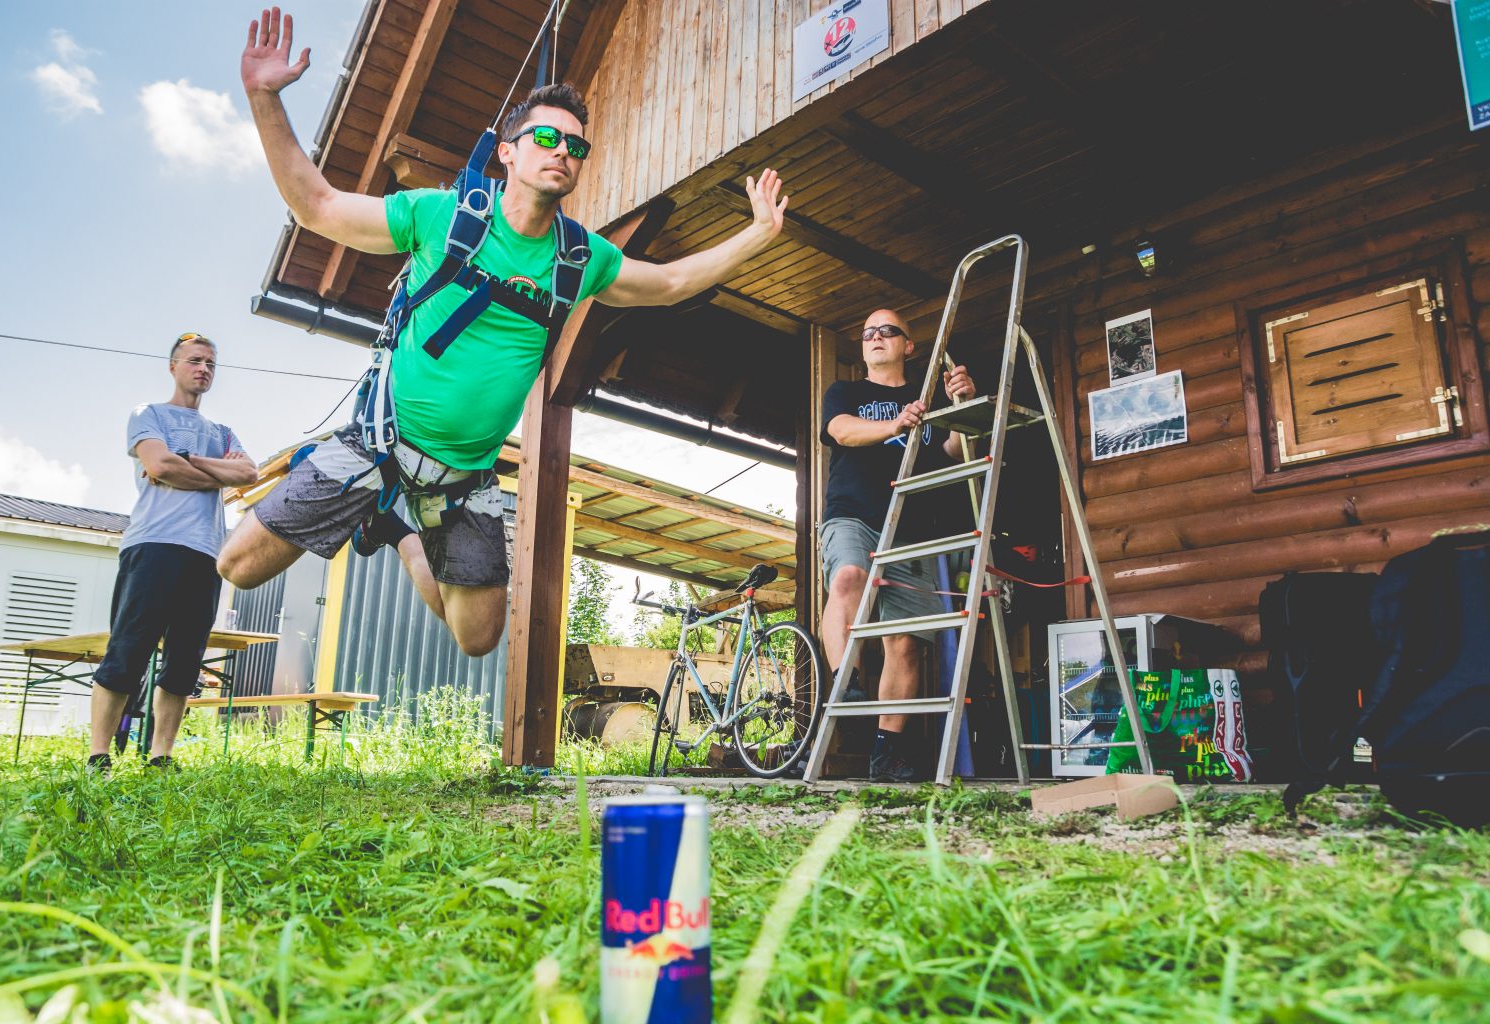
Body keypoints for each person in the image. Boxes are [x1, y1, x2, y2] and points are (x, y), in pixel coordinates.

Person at [219, 8, 789, 657]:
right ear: (507, 151)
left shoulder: (582, 257)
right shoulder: (443, 216)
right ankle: (382, 503)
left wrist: (759, 234)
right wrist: (266, 98)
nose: (563, 153)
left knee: (478, 638)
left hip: (465, 477)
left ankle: (401, 531)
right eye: (548, 138)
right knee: (239, 565)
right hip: (380, 438)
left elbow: (669, 283)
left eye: (576, 147)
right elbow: (317, 205)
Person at [819, 309, 976, 782]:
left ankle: (888, 752)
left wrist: (963, 413)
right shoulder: (846, 392)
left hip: (915, 526)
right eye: (867, 332)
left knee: (905, 645)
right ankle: (845, 683)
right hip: (855, 515)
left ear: (909, 346)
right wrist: (894, 427)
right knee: (848, 577)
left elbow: (952, 455)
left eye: (887, 331)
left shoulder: (926, 397)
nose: (876, 338)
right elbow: (841, 430)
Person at [88, 333, 256, 775]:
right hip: (153, 543)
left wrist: (187, 460)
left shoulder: (222, 432)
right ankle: (98, 755)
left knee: (184, 659)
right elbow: (158, 466)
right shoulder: (149, 414)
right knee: (128, 651)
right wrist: (214, 470)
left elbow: (249, 472)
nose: (203, 369)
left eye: (211, 364)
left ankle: (161, 757)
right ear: (173, 366)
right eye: (195, 361)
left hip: (205, 552)